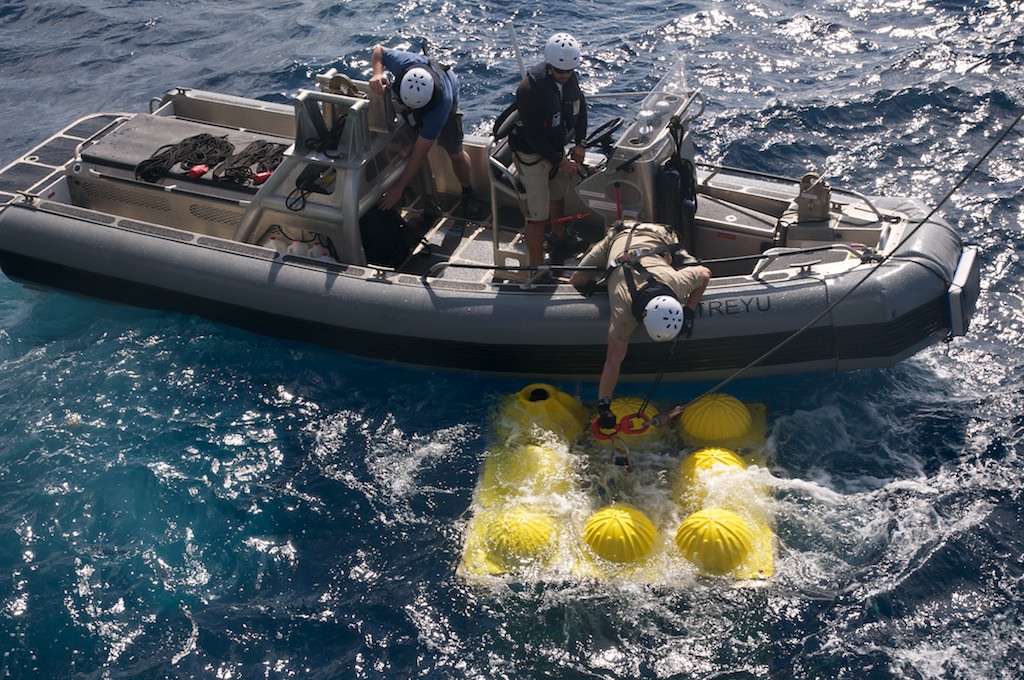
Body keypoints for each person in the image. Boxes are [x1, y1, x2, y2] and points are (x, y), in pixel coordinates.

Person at [568, 220, 711, 428]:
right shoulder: (623, 313)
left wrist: (688, 311)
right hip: (617, 235)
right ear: (642, 316)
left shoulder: (677, 283)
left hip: (657, 235)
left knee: (676, 259)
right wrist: (604, 405)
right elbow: (612, 360)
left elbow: (704, 274)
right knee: (577, 282)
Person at [369, 44, 483, 219]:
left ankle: (468, 192)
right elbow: (379, 51)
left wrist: (397, 189)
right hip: (411, 101)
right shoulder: (404, 62)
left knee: (455, 153)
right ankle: (411, 187)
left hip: (445, 98)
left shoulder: (441, 106)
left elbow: (419, 155)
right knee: (404, 139)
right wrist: (377, 73)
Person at [509, 33, 589, 267]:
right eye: (559, 71)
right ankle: (537, 268)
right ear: (549, 66)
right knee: (537, 217)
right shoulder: (529, 90)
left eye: (569, 72)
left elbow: (580, 107)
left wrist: (580, 143)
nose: (564, 76)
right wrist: (561, 161)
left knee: (558, 195)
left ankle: (559, 236)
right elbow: (534, 138)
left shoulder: (570, 79)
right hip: (532, 155)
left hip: (555, 148)